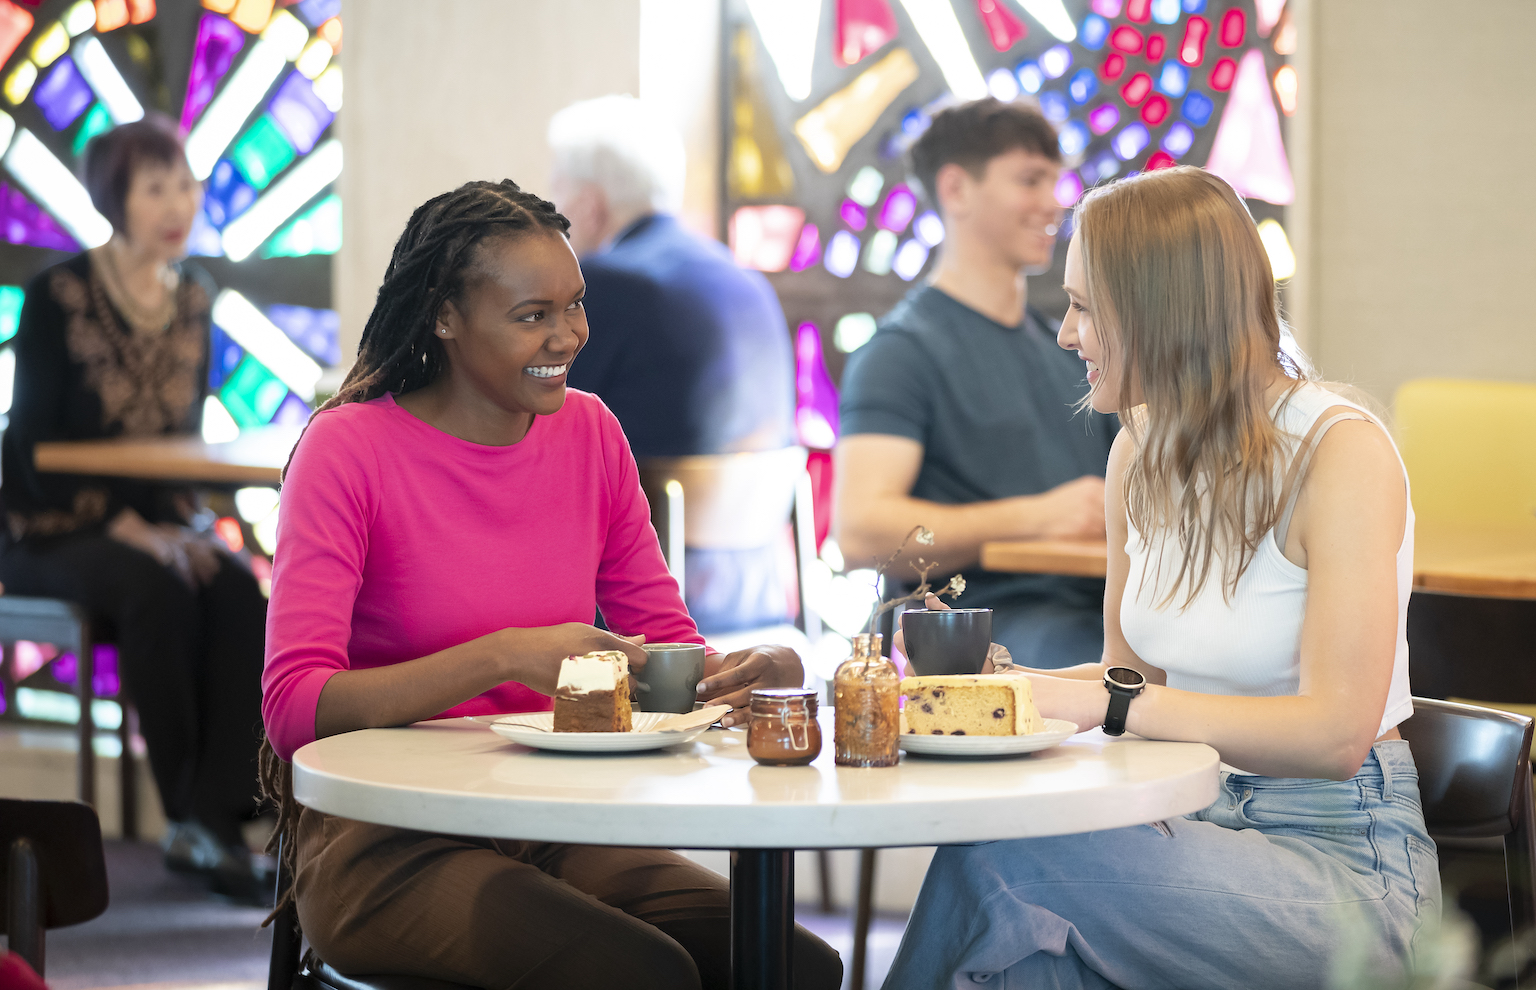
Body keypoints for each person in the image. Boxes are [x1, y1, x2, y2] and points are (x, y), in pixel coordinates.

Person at [259, 180, 840, 990]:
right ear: (445, 317)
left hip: (556, 822)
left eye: (575, 304)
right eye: (532, 315)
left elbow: (666, 653)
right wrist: (502, 656)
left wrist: (753, 670)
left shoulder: (591, 432)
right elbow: (293, 708)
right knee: (642, 974)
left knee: (795, 966)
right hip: (385, 841)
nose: (567, 335)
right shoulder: (347, 449)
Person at [885, 167, 1436, 989]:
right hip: (1189, 824)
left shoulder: (1340, 450)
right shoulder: (1137, 452)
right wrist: (994, 688)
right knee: (1028, 967)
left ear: (1162, 307)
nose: (1065, 334)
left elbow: (1334, 734)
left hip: (1347, 864)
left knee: (1003, 864)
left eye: (1084, 307)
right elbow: (1133, 676)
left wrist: (1106, 703)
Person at [0, 116, 270, 897]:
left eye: (185, 184)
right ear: (115, 198)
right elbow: (29, 448)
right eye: (155, 188)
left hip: (152, 524)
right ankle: (186, 815)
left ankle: (219, 815)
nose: (177, 204)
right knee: (159, 590)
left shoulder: (195, 299)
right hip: (46, 527)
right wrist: (132, 531)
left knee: (234, 585)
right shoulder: (57, 293)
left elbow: (178, 447)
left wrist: (181, 528)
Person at [835, 99, 1117, 669]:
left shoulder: (1068, 348)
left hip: (1099, 603)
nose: (1054, 202)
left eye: (1056, 181)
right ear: (956, 189)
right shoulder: (901, 353)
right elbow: (861, 531)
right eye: (1030, 180)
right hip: (984, 622)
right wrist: (1039, 517)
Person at [548, 96, 797, 634]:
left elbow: (537, 430)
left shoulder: (605, 284)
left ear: (588, 205)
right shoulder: (747, 281)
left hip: (648, 609)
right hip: (754, 593)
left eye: (556, 195)